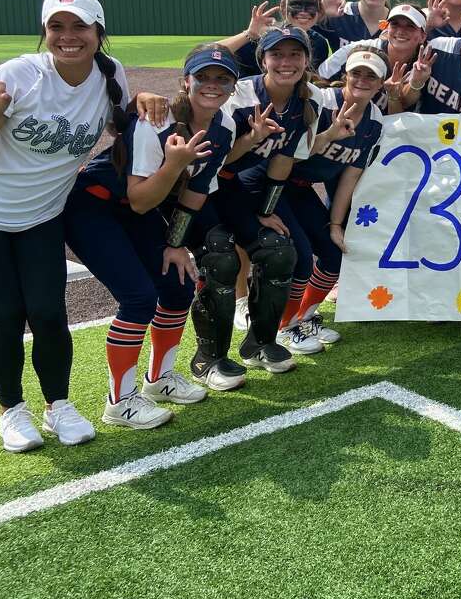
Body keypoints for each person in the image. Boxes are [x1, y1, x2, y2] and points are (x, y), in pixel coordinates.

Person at [0, 0, 131, 451]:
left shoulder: (110, 75)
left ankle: (58, 405)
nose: (68, 37)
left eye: (79, 26)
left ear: (98, 33)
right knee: (5, 316)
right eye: (56, 27)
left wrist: (149, 108)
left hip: (43, 216)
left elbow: (121, 129)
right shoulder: (19, 75)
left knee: (47, 312)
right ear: (44, 33)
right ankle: (12, 411)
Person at [64, 45, 243, 428]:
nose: (212, 85)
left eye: (222, 78)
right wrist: (176, 162)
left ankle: (158, 380)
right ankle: (119, 402)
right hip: (94, 206)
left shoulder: (224, 127)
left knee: (178, 285)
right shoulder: (156, 121)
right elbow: (142, 200)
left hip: (134, 210)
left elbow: (195, 193)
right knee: (139, 297)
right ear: (186, 81)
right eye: (203, 77)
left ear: (232, 86)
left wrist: (176, 244)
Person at [254, 49, 386, 354]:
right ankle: (284, 328)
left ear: (381, 83)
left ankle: (304, 315)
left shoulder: (375, 122)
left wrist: (336, 224)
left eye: (371, 75)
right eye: (356, 73)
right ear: (346, 75)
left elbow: (350, 177)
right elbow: (294, 153)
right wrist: (329, 134)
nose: (362, 80)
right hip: (273, 180)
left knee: (332, 252)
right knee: (299, 255)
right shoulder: (321, 100)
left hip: (299, 188)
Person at [215, 26, 323, 373]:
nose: (286, 62)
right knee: (221, 259)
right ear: (262, 59)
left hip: (251, 182)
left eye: (295, 54)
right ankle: (214, 355)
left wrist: (265, 210)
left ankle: (265, 338)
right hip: (212, 184)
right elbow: (216, 161)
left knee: (299, 256)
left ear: (307, 60)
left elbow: (282, 161)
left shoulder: (310, 101)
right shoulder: (240, 96)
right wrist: (251, 138)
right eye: (277, 54)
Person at [219, 0, 335, 76]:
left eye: (310, 5)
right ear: (283, 7)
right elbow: (206, 54)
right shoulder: (263, 37)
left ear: (318, 8)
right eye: (296, 4)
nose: (303, 11)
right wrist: (249, 34)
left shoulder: (319, 44)